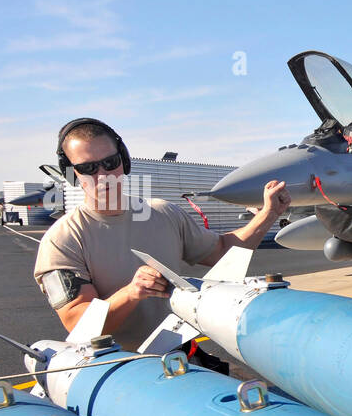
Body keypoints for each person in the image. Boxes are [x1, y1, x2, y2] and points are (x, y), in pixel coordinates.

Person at [34, 117, 290, 354]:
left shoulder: (163, 213)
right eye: (88, 168)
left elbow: (222, 252)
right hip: (118, 372)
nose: (103, 176)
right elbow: (79, 323)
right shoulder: (62, 239)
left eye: (110, 163)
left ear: (123, 161)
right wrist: (131, 293)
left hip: (179, 358)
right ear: (72, 173)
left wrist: (268, 214)